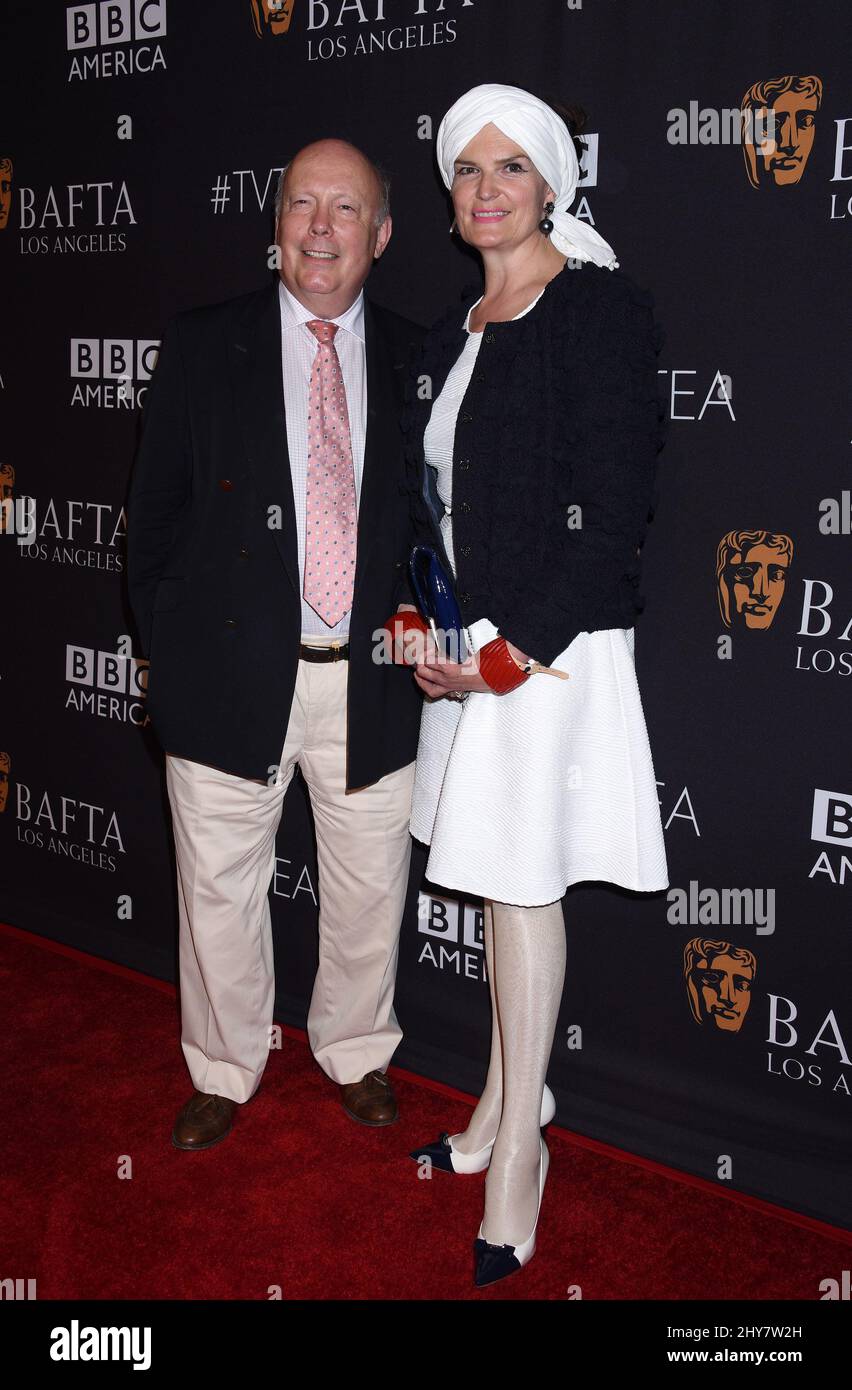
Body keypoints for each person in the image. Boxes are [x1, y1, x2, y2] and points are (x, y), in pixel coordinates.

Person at [393, 84, 670, 1286]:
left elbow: (614, 521)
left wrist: (514, 651)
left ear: (552, 184)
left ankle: (521, 1154)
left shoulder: (599, 309)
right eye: (468, 171)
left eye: (512, 168)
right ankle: (505, 1102)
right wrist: (420, 612)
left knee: (519, 895)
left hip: (549, 659)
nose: (488, 188)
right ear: (451, 200)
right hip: (475, 655)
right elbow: (439, 503)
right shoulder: (467, 320)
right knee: (503, 891)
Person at [126, 138, 424, 1151]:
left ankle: (356, 1048)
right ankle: (223, 1062)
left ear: (380, 235)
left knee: (369, 883)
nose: (322, 227)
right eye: (304, 204)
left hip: (372, 680)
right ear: (277, 225)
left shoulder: (421, 356)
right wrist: (162, 650)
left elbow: (436, 530)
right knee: (216, 886)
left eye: (347, 209)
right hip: (225, 669)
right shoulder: (205, 343)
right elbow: (152, 518)